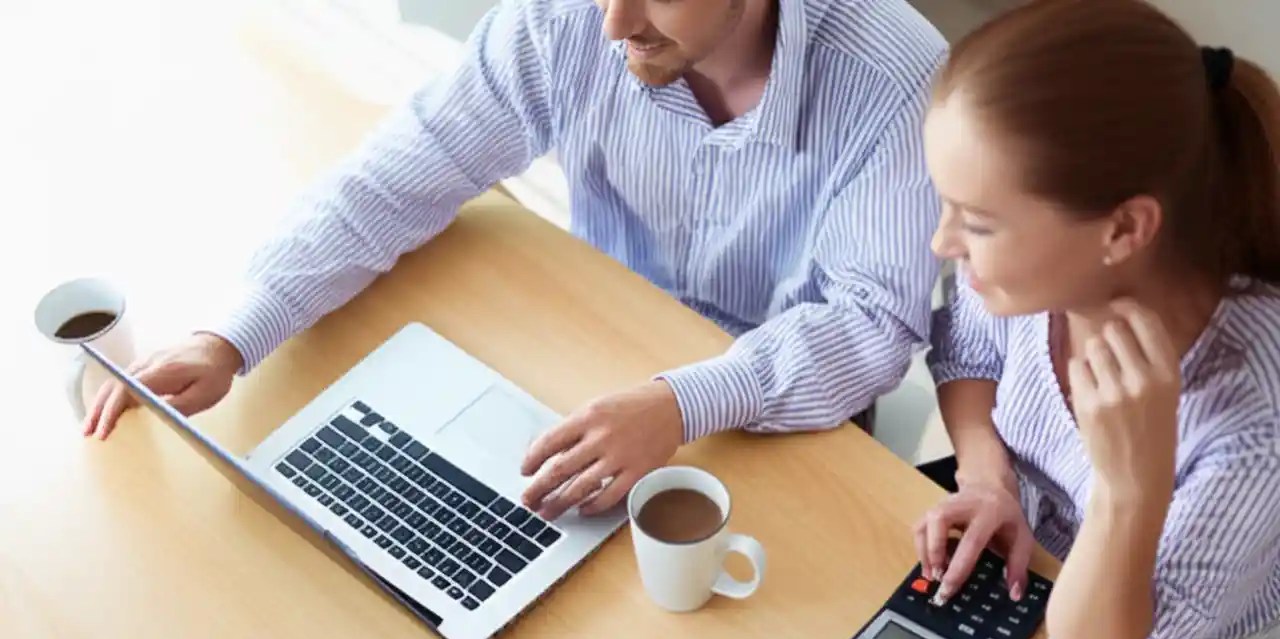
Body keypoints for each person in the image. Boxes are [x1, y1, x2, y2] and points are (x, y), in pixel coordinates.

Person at [84, 0, 945, 519]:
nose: (615, 24)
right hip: (591, 364)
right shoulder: (573, 17)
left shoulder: (898, 76)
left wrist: (683, 402)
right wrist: (234, 335)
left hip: (781, 415)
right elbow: (402, 174)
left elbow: (870, 325)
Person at [914, 0, 1280, 639]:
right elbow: (966, 350)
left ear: (1123, 230)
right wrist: (987, 478)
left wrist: (1128, 488)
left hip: (1158, 634)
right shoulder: (1042, 277)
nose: (943, 244)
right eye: (947, 204)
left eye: (979, 223)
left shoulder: (1253, 423)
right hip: (1027, 535)